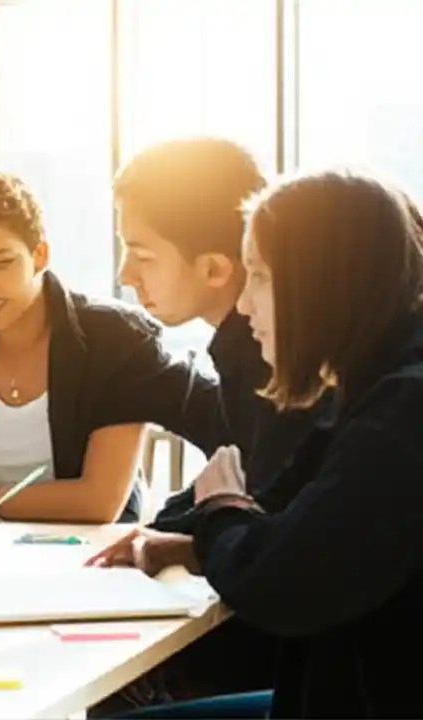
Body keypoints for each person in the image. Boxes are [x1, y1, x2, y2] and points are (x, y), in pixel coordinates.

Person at [92, 169, 423, 717]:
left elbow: (281, 585)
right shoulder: (376, 387)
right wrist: (200, 541)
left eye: (261, 277)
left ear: (319, 285)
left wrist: (220, 506)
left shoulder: (402, 413)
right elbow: (293, 521)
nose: (245, 305)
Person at [0, 169, 220, 524]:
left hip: (88, 555)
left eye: (1, 263)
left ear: (40, 255)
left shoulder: (113, 339)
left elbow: (98, 502)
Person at [113, 137, 327, 532]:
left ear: (214, 269)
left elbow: (263, 502)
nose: (125, 275)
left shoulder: (275, 364)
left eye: (142, 256)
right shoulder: (240, 351)